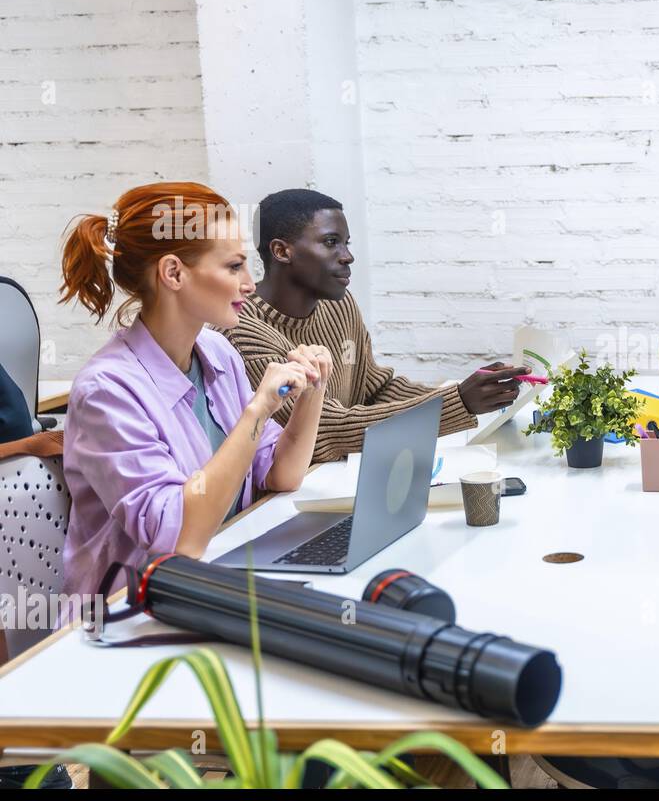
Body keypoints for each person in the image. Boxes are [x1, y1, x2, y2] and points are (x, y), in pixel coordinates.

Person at [59, 183, 330, 599]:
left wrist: (313, 391)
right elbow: (181, 539)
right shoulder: (106, 392)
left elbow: (280, 474)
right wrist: (257, 411)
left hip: (219, 582)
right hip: (132, 614)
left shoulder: (216, 351)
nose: (250, 284)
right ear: (173, 274)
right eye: (234, 266)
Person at [223, 189, 528, 463]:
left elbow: (377, 389)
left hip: (340, 480)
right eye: (331, 242)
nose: (348, 256)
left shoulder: (339, 304)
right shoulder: (242, 333)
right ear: (281, 251)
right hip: (286, 502)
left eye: (346, 243)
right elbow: (323, 432)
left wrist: (475, 398)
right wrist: (456, 403)